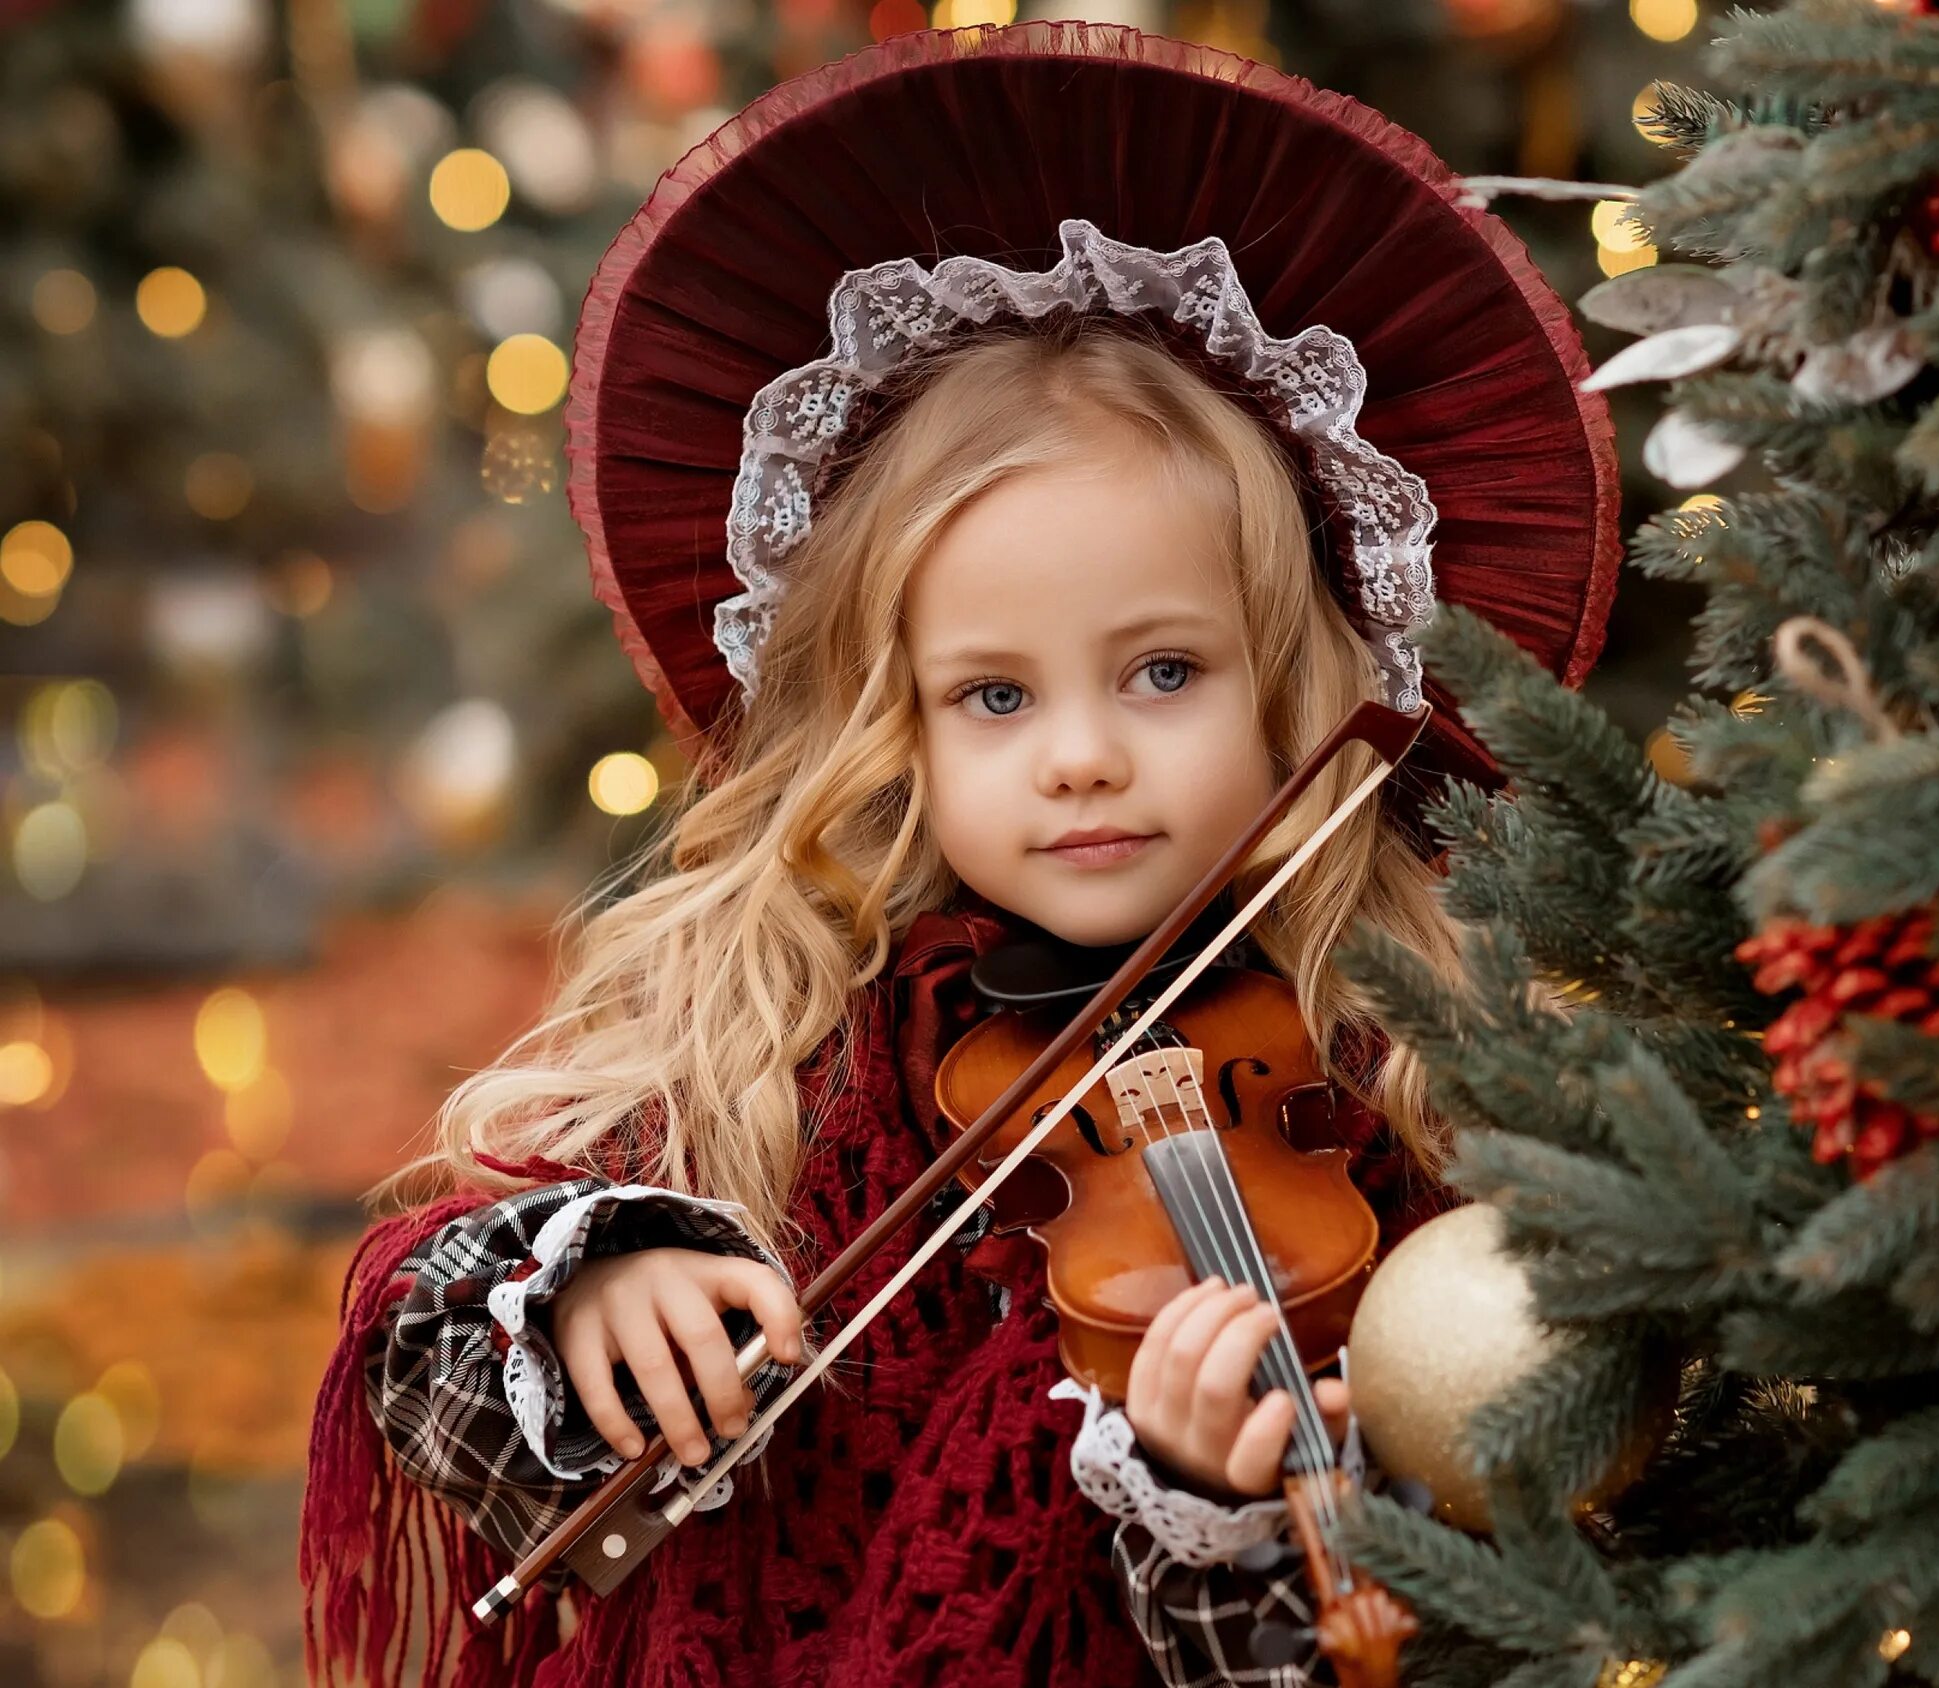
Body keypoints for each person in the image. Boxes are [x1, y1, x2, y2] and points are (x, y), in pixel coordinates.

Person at [296, 22, 1619, 1686]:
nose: (1081, 756)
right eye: (996, 695)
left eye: (1165, 672)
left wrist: (1218, 1506)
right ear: (895, 725)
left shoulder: (1383, 1067)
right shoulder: (794, 1036)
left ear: (1294, 692)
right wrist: (588, 1294)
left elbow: (1438, 1615)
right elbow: (423, 1354)